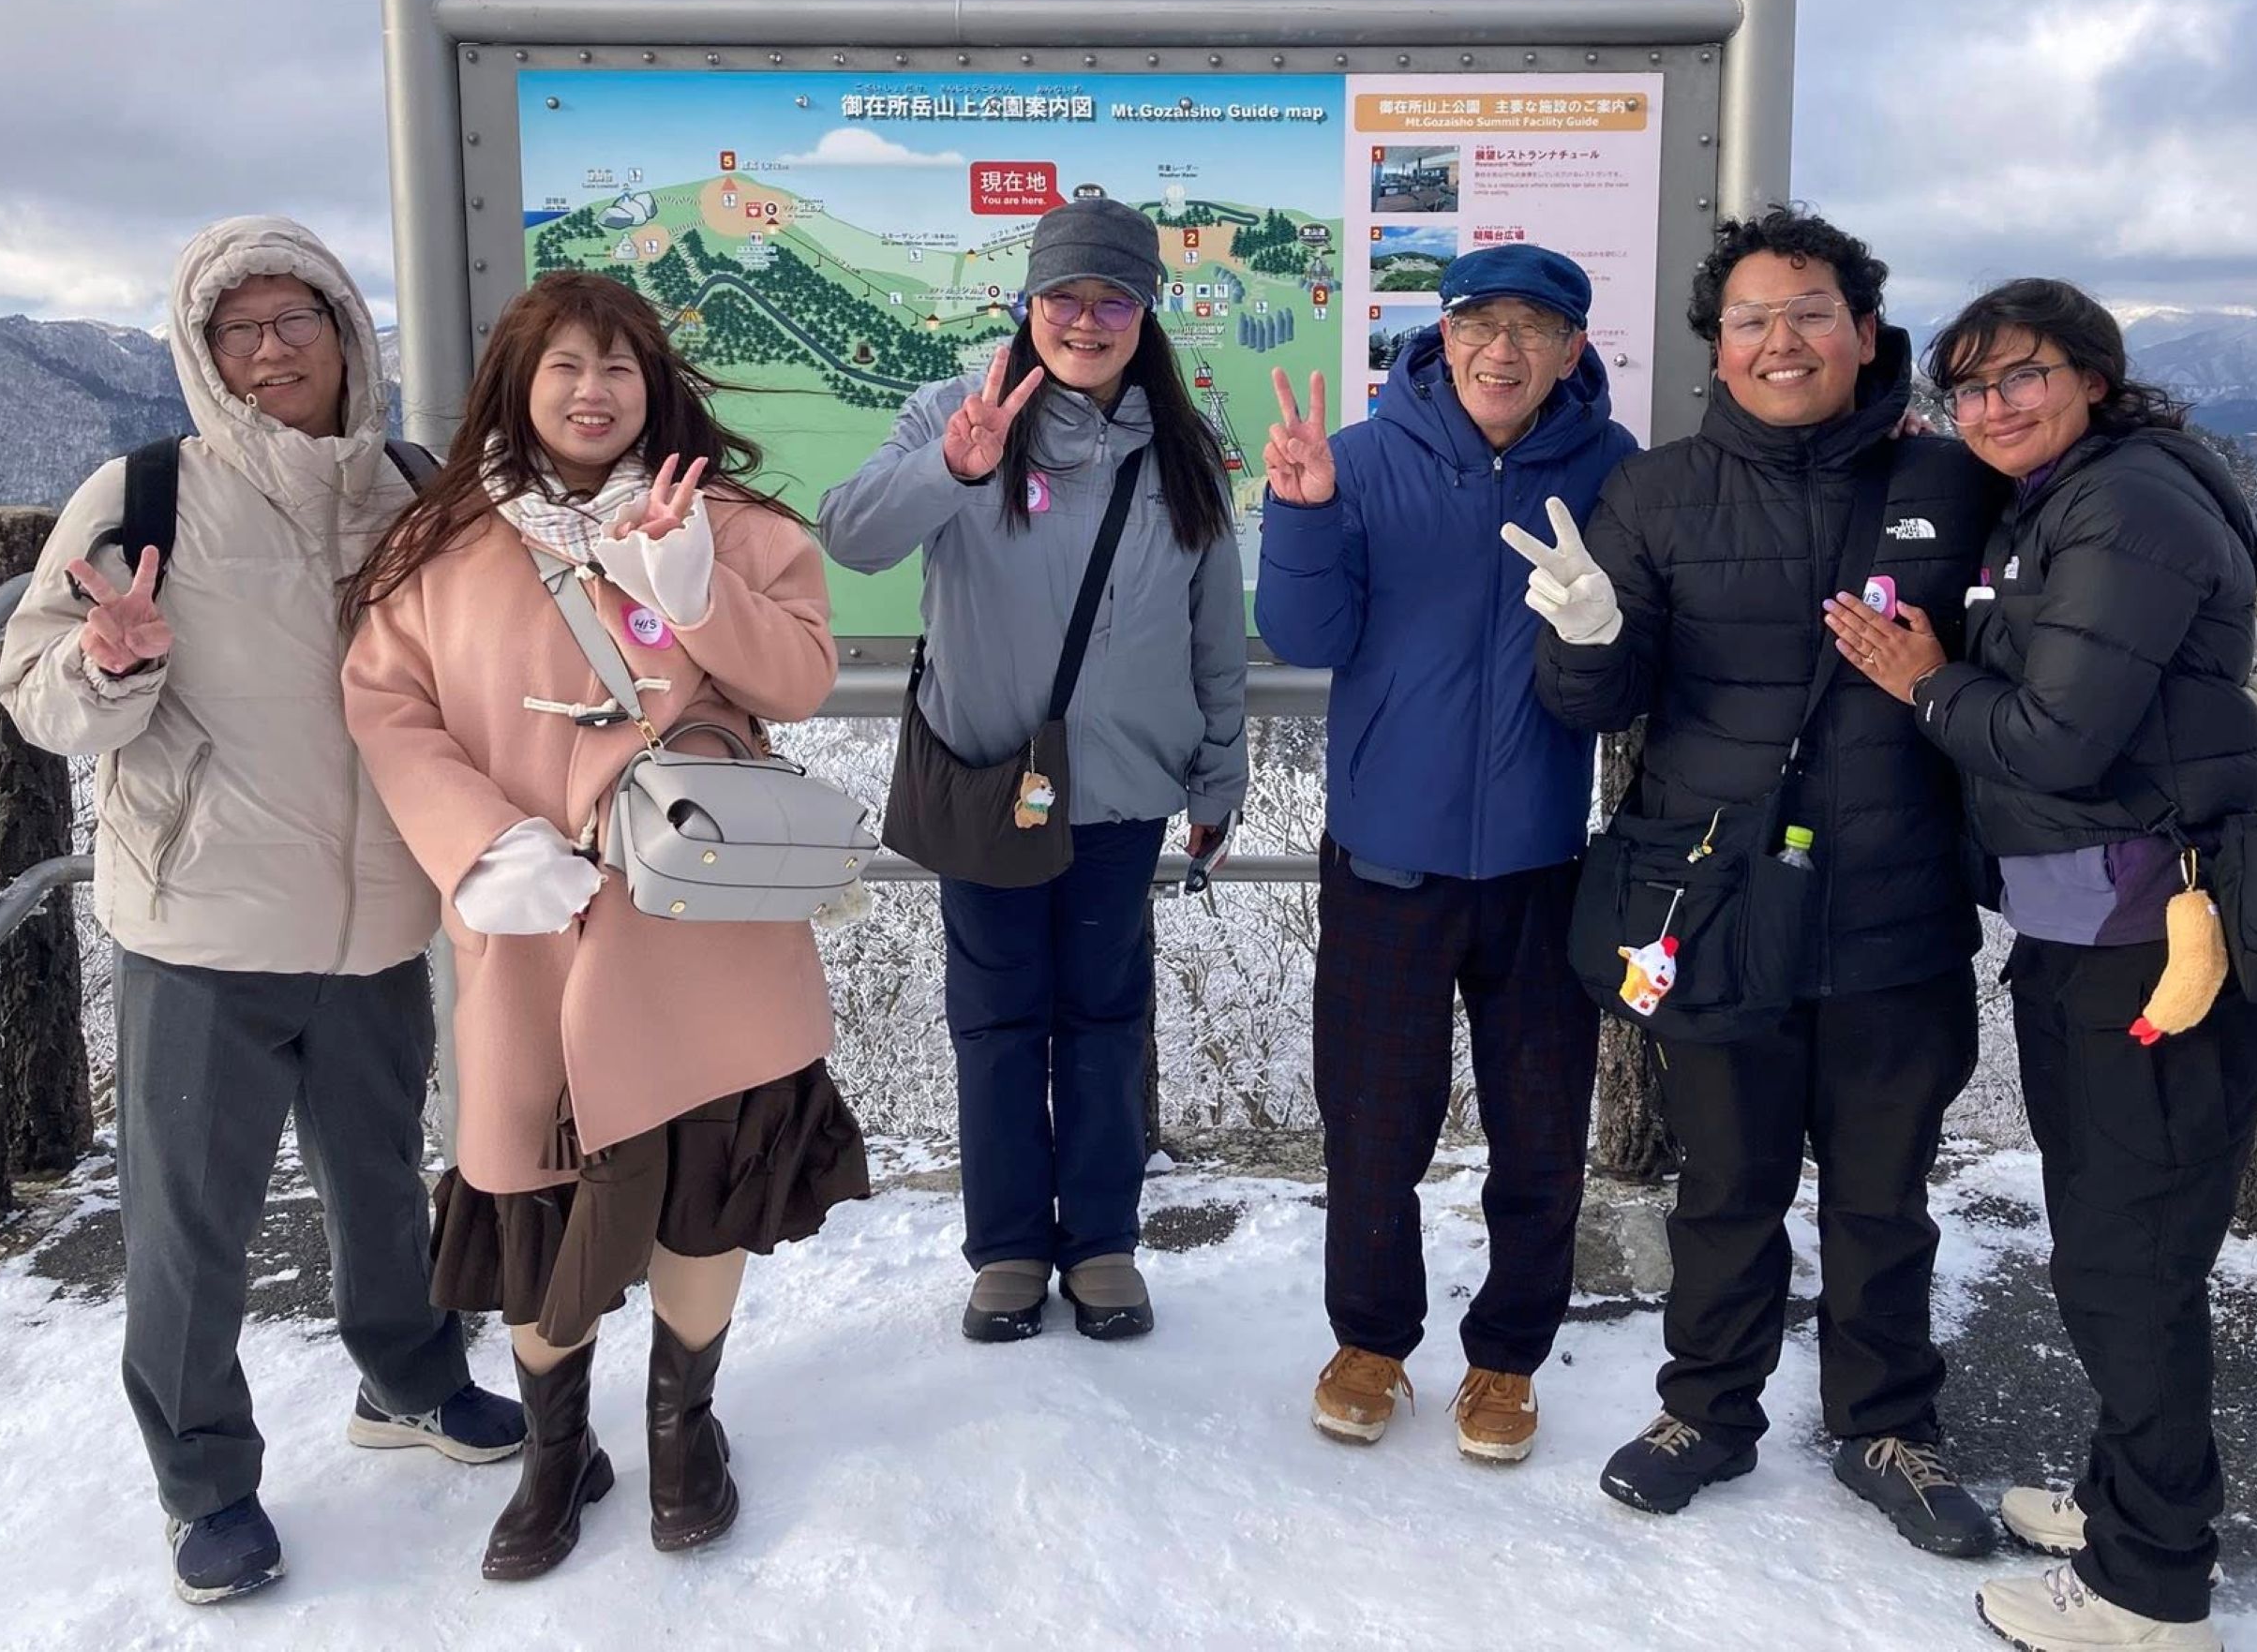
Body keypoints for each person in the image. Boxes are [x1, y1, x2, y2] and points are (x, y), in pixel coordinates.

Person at [0, 216, 522, 1606]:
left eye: (300, 320)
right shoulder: (142, 490)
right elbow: (36, 686)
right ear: (203, 355)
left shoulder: (414, 487)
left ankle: (408, 1382)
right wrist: (111, 662)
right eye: (241, 330)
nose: (274, 348)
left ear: (350, 334)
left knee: (380, 1180)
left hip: (377, 919)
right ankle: (206, 1484)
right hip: (206, 926)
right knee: (194, 1225)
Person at [341, 272, 870, 1582]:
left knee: (708, 1190)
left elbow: (801, 677)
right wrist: (478, 843)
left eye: (619, 365)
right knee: (531, 1197)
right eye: (564, 364)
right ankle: (552, 1447)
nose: (592, 389)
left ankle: (683, 1426)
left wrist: (696, 587)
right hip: (534, 936)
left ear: (655, 384)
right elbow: (388, 709)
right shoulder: (439, 546)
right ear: (515, 385)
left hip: (706, 938)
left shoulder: (730, 522)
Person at [1525, 208, 2002, 1553]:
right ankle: (1707, 1409)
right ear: (1715, 349)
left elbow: (2025, 654)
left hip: (1895, 902)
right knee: (1724, 1180)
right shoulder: (1658, 491)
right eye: (1750, 319)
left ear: (1862, 329)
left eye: (1808, 312)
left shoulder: (1955, 487)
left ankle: (1888, 1423)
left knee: (1883, 1190)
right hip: (1720, 900)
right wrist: (1583, 633)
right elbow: (1598, 699)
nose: (1780, 339)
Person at [1823, 277, 2257, 1652]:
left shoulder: (2125, 504)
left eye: (2020, 376)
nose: (1993, 408)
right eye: (1969, 389)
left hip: (2148, 936)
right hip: (2101, 919)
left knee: (2125, 1261)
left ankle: (2150, 1589)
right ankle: (2127, 1501)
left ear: (2092, 373)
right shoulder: (2082, 490)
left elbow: (2064, 741)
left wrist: (1922, 682)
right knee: (2120, 1241)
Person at [820, 198, 1248, 1345]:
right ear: (1029, 303)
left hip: (1124, 787)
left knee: (1106, 1020)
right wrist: (954, 473)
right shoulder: (954, 414)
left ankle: (1102, 1242)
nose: (1088, 319)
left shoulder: (1182, 446)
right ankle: (1008, 1247)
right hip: (992, 781)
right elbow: (849, 533)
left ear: (1147, 309)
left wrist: (1219, 776)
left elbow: (1215, 628)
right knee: (999, 1023)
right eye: (1065, 296)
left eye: (1115, 297)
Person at [1254, 243, 1637, 1464]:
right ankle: (1371, 1338)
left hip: (1537, 862)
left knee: (1539, 1128)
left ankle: (1507, 1356)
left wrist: (1602, 627)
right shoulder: (1361, 461)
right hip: (1385, 861)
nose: (1505, 349)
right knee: (1374, 1120)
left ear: (1574, 350)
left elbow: (1621, 690)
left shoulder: (1616, 477)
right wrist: (1303, 510)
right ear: (1443, 333)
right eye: (1482, 322)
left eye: (1537, 327)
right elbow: (1303, 632)